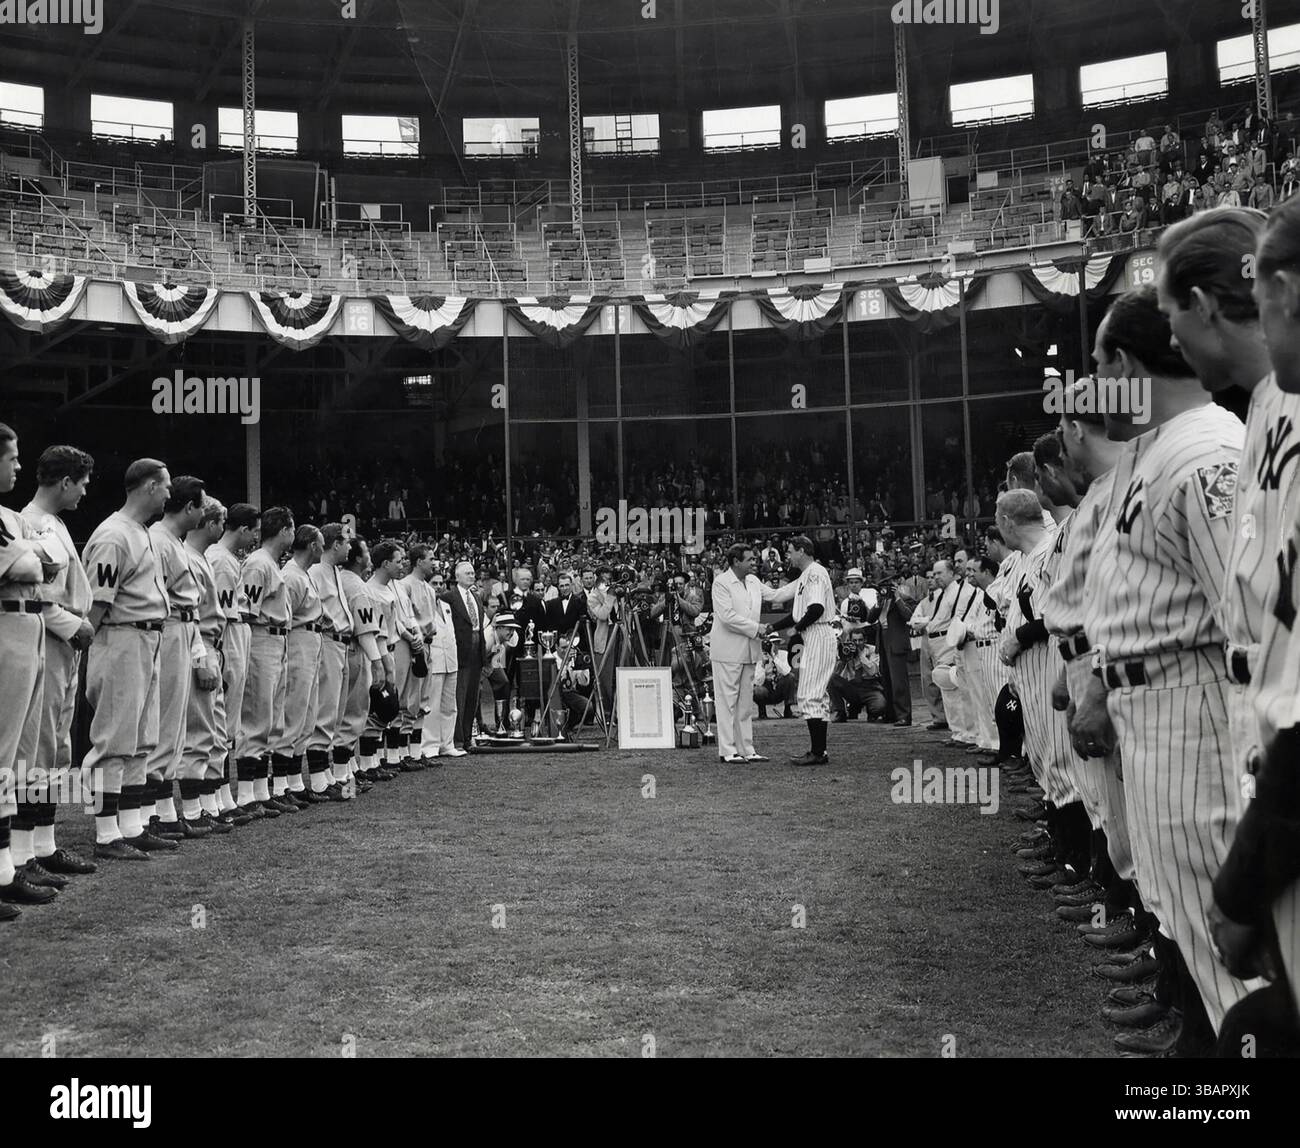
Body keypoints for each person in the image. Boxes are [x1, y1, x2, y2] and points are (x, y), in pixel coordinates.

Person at [17, 445, 97, 882]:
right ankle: (24, 851)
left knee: (58, 745)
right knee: (37, 747)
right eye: (81, 481)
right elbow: (33, 601)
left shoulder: (57, 524)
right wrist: (72, 624)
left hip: (65, 643)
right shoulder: (28, 524)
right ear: (65, 481)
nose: (85, 490)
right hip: (45, 639)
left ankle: (45, 844)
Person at [766, 536, 839, 766]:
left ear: (802, 551)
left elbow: (816, 609)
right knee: (815, 694)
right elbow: (798, 612)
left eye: (790, 551)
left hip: (818, 633)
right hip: (814, 634)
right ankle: (820, 751)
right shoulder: (805, 576)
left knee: (809, 693)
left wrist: (797, 628)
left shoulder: (815, 572)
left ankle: (818, 752)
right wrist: (773, 626)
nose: (788, 555)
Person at [707, 542, 768, 764]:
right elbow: (727, 616)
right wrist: (757, 628)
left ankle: (747, 749)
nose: (754, 562)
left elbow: (776, 594)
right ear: (736, 561)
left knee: (745, 703)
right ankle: (727, 750)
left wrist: (806, 577)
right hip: (727, 651)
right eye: (750, 559)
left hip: (749, 651)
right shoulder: (721, 582)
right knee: (727, 703)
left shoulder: (753, 581)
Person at [442, 559, 486, 751]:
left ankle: (468, 737)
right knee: (459, 696)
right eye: (467, 573)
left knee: (472, 697)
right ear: (457, 576)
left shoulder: (476, 597)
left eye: (473, 572)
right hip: (460, 651)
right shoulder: (448, 598)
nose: (472, 575)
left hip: (477, 649)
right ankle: (458, 739)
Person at [828, 632, 886, 722]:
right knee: (832, 679)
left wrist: (860, 655)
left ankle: (871, 712)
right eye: (854, 640)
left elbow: (873, 671)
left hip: (870, 687)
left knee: (880, 708)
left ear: (865, 640)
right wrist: (843, 659)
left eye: (860, 640)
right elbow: (836, 672)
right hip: (853, 687)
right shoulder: (846, 650)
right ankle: (840, 712)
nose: (857, 643)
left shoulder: (872, 650)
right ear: (850, 641)